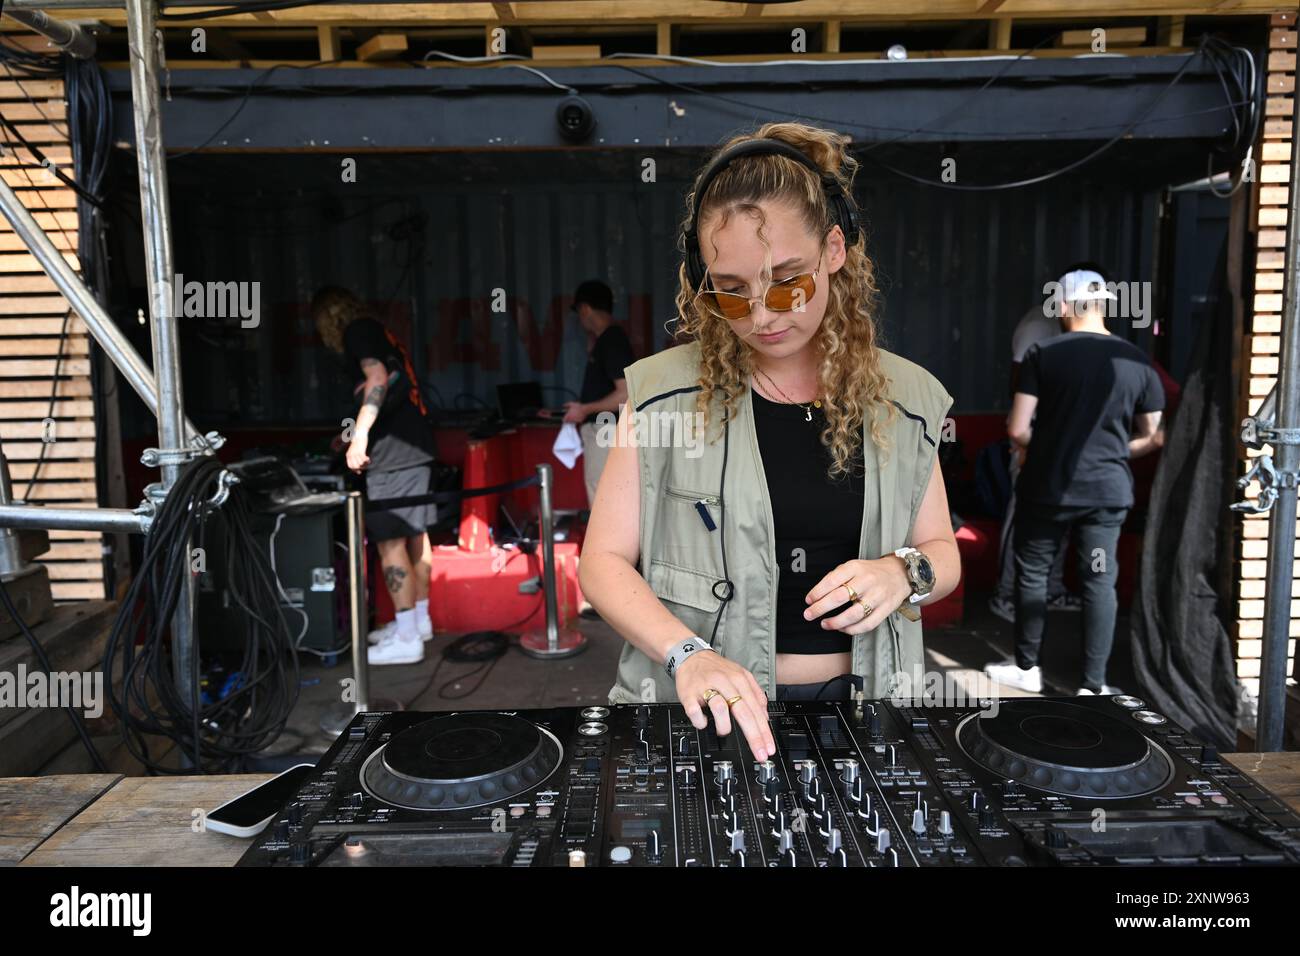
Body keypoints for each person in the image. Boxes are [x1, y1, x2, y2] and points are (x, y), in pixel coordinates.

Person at [578, 123, 959, 758]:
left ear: (833, 249)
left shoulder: (905, 400)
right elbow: (602, 562)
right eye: (732, 292)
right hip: (704, 717)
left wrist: (901, 573)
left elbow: (941, 552)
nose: (762, 315)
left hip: (870, 714)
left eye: (787, 280)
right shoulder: (660, 396)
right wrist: (687, 655)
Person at [985, 269, 1165, 696]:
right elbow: (1155, 435)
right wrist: (1113, 452)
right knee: (1098, 578)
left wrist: (1051, 446)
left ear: (1064, 306)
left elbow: (1017, 429)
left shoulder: (1043, 354)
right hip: (1105, 494)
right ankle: (1093, 685)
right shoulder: (1135, 360)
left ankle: (1027, 668)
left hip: (1047, 489)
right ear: (1103, 307)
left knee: (1034, 572)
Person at [312, 287, 437, 666]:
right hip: (415, 447)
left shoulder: (358, 331)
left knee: (390, 541)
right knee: (415, 534)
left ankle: (407, 637)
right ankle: (417, 622)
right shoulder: (379, 332)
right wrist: (350, 433)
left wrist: (361, 436)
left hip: (392, 454)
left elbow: (378, 379)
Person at [988, 264, 1108, 623]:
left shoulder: (1084, 331)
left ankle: (1052, 589)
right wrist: (1025, 440)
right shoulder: (1038, 326)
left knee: (1062, 516)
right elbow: (1019, 384)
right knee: (1022, 513)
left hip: (1069, 436)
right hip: (1035, 434)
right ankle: (1004, 595)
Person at [563, 279, 636, 508]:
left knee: (603, 499)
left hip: (606, 430)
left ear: (585, 309)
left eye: (579, 312)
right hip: (607, 430)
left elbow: (625, 394)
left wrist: (584, 409)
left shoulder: (612, 340)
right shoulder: (604, 340)